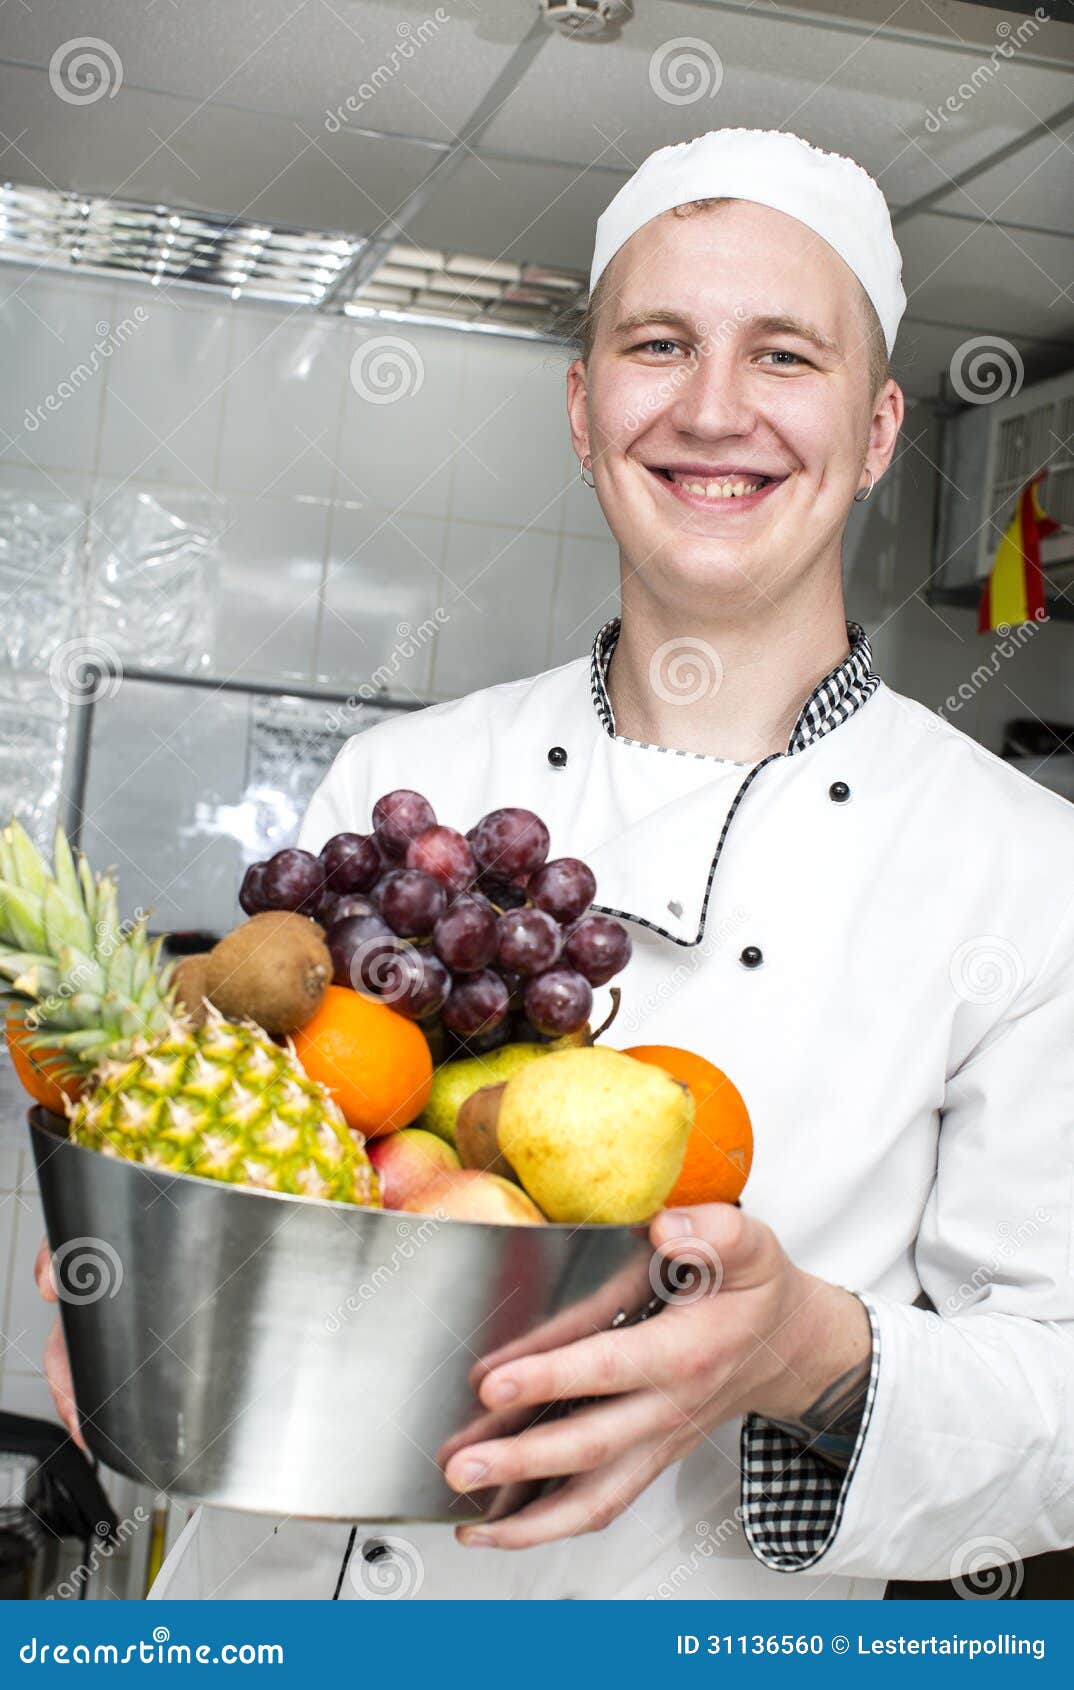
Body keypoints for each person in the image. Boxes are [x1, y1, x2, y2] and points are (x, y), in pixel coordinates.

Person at [40, 129, 1074, 1601]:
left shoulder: (1028, 873)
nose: (713, 409)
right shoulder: (396, 795)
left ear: (878, 429)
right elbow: (228, 1198)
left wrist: (804, 1357)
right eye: (659, 345)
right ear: (585, 411)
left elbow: (1060, 1403)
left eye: (785, 356)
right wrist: (130, 1285)